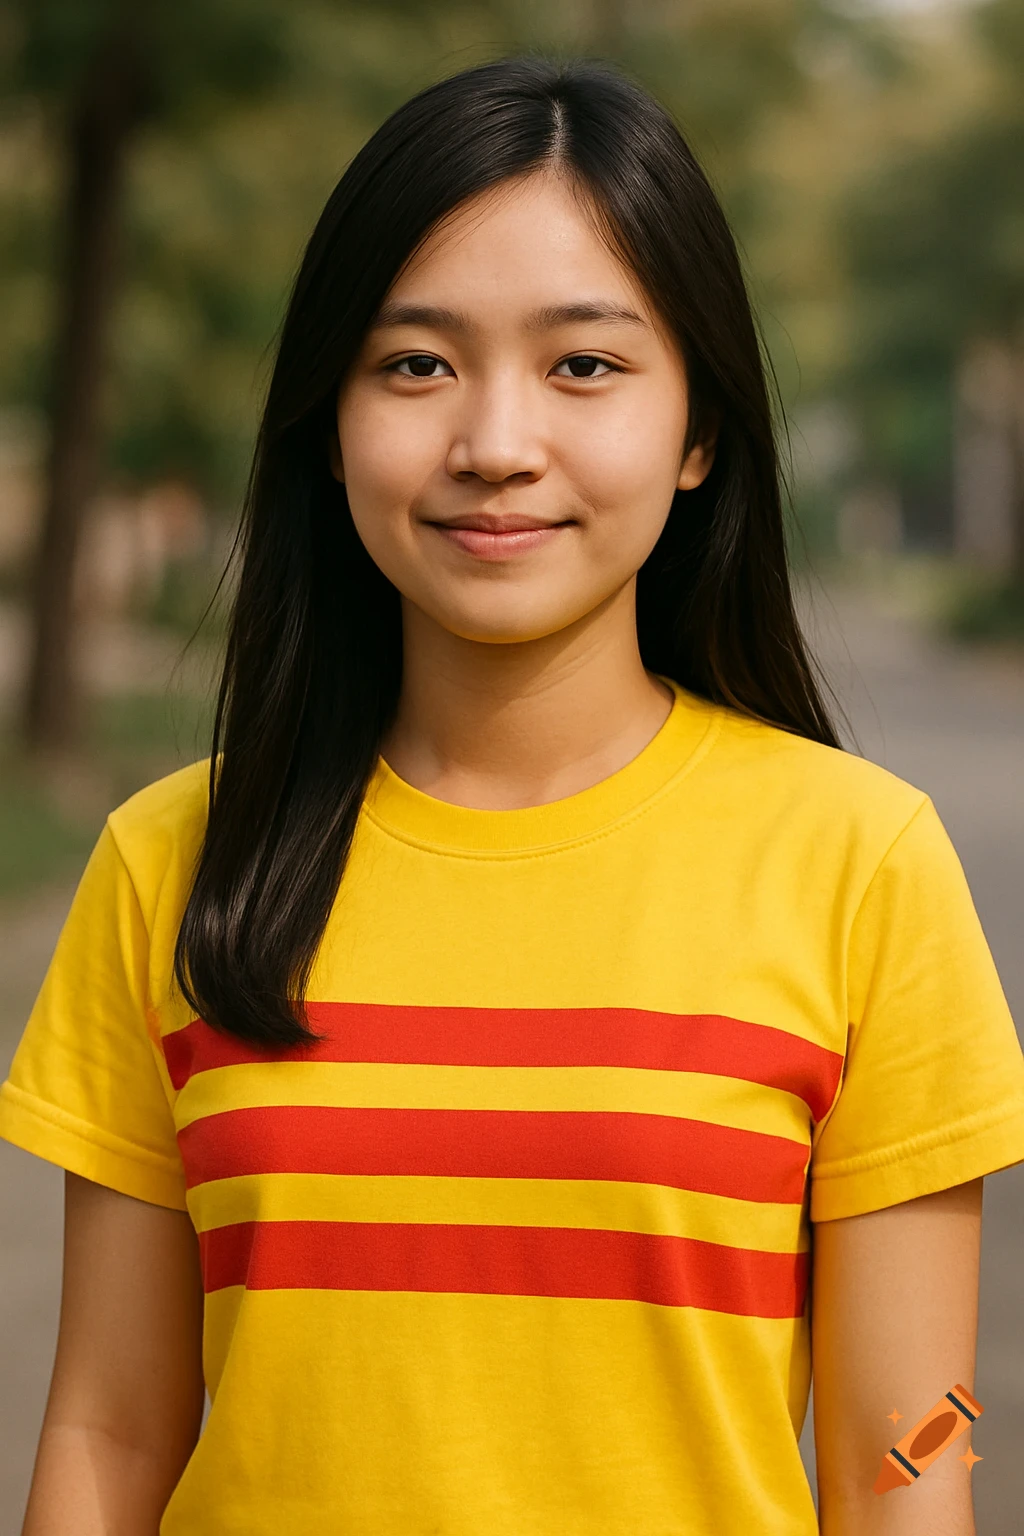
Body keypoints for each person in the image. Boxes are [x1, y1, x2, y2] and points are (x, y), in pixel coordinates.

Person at [2, 56, 1023, 1536]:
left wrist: (933, 1469)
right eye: (415, 363)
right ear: (330, 421)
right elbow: (103, 1428)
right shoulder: (174, 859)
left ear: (698, 434)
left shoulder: (862, 863)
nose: (494, 443)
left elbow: (910, 1440)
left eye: (584, 366)